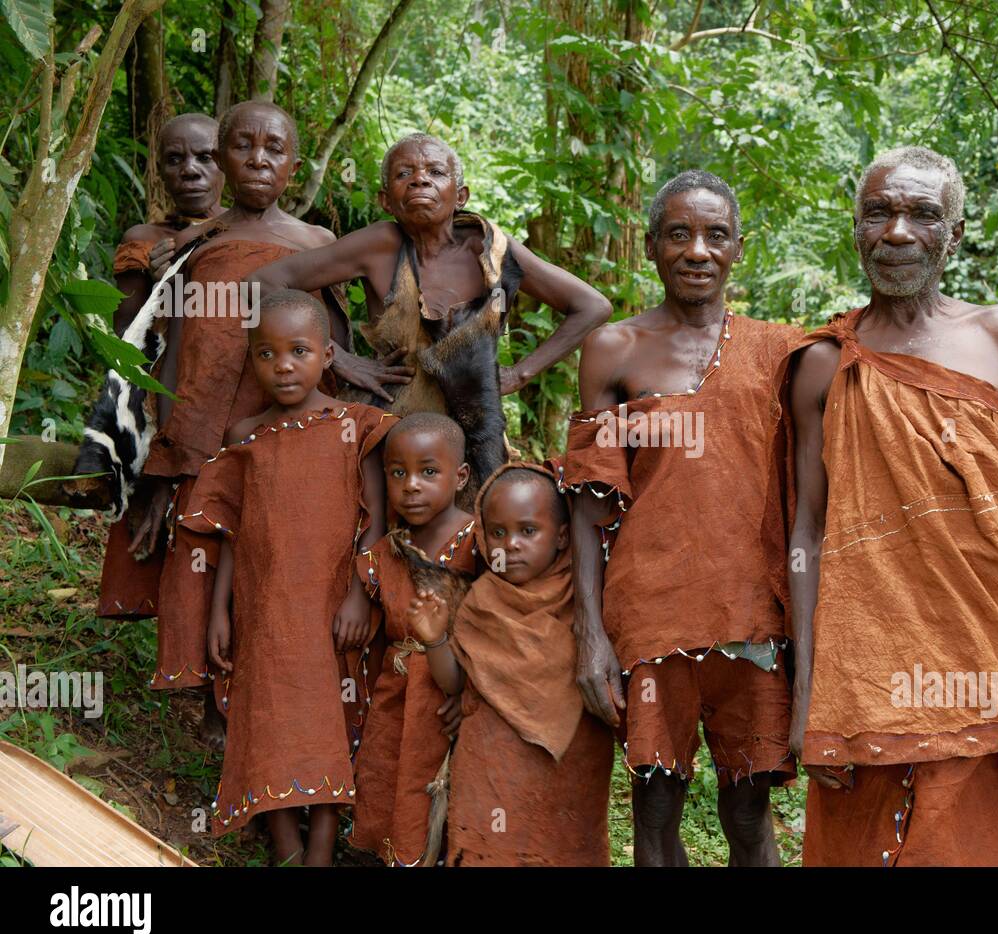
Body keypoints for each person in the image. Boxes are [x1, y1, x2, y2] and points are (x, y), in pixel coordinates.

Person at [782, 146, 998, 866]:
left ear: (953, 236)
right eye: (879, 212)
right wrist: (810, 691)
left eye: (923, 214)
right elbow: (806, 529)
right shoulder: (822, 366)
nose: (898, 232)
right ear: (857, 228)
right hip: (869, 670)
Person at [558, 171, 801, 867]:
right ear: (650, 247)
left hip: (753, 611)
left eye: (715, 235)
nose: (697, 250)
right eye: (678, 234)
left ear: (738, 250)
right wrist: (591, 633)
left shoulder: (781, 351)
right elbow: (588, 500)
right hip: (651, 610)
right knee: (656, 802)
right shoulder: (614, 348)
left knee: (750, 805)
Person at [132, 101, 340, 748]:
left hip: (287, 434)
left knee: (275, 560)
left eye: (274, 148)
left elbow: (334, 342)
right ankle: (215, 713)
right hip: (204, 432)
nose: (258, 160)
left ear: (295, 166)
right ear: (223, 160)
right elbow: (177, 350)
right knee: (207, 553)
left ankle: (268, 704)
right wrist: (165, 453)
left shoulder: (319, 244)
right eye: (243, 146)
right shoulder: (190, 245)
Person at [249, 133, 613, 489]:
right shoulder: (379, 245)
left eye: (436, 172)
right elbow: (262, 283)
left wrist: (521, 374)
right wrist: (338, 359)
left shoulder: (489, 250)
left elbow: (592, 306)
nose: (420, 178)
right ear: (386, 200)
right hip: (387, 434)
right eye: (403, 173)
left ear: (461, 196)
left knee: (473, 538)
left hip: (475, 439)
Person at [181, 290, 394, 865]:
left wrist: (358, 595)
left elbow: (376, 520)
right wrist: (220, 610)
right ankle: (286, 847)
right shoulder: (245, 435)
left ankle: (321, 846)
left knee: (328, 712)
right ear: (250, 360)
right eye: (266, 354)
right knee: (268, 711)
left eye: (298, 351)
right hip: (265, 605)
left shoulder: (358, 426)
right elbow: (232, 530)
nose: (283, 366)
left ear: (327, 354)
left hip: (329, 604)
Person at [442, 463, 613, 866]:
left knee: (565, 844)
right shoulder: (481, 602)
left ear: (563, 537)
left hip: (572, 761)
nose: (511, 545)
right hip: (492, 760)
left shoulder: (586, 603)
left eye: (528, 531)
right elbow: (458, 680)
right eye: (497, 533)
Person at [97, 113, 225, 622]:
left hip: (231, 401)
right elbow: (126, 341)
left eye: (205, 157)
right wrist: (156, 281)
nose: (190, 170)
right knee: (161, 524)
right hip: (164, 405)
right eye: (175, 160)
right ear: (161, 172)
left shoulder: (252, 233)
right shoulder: (146, 239)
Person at [350, 412, 479, 866]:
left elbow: (500, 629)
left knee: (441, 794)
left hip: (453, 699)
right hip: (396, 696)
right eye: (398, 472)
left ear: (460, 477)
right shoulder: (387, 550)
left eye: (429, 471)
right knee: (388, 777)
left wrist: (472, 698)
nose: (411, 486)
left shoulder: (477, 541)